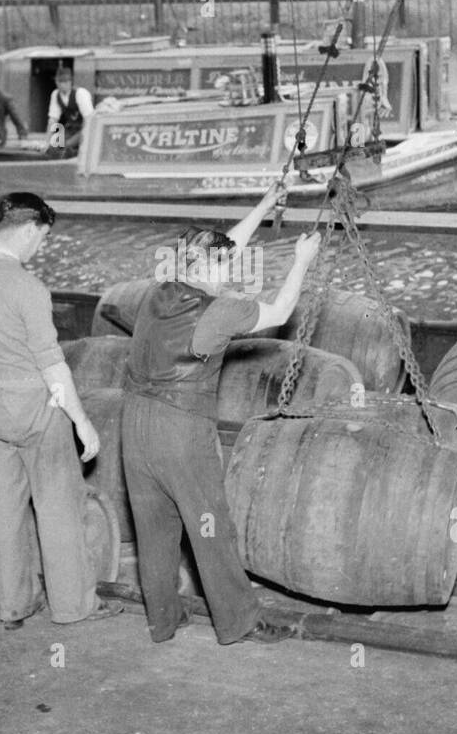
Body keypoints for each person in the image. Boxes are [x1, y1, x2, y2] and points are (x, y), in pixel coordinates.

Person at [121, 183, 322, 645]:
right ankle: (238, 622)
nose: (232, 270)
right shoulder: (223, 310)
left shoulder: (158, 292)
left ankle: (163, 622)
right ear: (206, 266)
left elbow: (223, 245)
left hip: (134, 426)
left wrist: (264, 207)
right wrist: (301, 262)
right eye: (225, 265)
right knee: (210, 524)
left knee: (153, 527)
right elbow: (282, 309)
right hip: (180, 429)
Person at [0, 192, 123, 630]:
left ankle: (15, 605)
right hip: (34, 408)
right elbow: (53, 366)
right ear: (29, 230)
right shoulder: (28, 288)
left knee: (5, 508)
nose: (40, 246)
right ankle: (72, 606)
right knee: (58, 505)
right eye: (42, 237)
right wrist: (84, 424)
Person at [46, 65, 94, 158]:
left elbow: (89, 120)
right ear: (56, 82)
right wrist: (47, 141)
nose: (62, 85)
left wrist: (81, 137)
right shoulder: (56, 94)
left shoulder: (80, 93)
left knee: (67, 145)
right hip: (71, 128)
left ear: (70, 82)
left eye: (65, 82)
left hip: (84, 128)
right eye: (59, 82)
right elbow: (53, 120)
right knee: (53, 147)